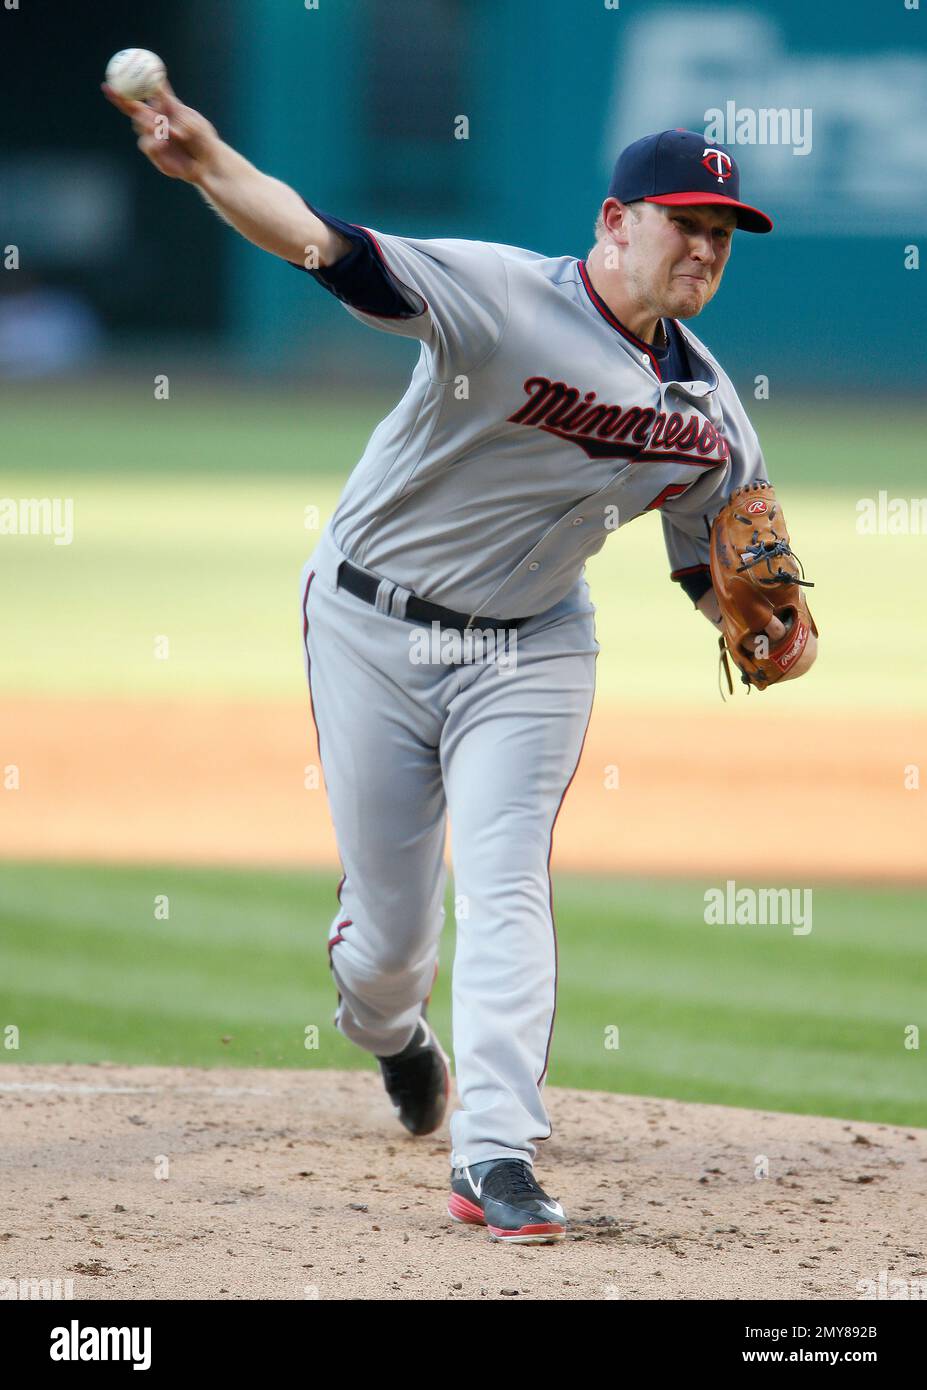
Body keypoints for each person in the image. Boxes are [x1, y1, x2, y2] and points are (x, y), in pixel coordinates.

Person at [104, 86, 816, 1244]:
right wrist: (211, 160)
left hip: (533, 647)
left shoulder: (712, 415)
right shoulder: (497, 297)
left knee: (507, 879)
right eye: (683, 221)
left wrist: (774, 631)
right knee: (388, 948)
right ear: (614, 220)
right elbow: (318, 241)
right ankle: (393, 1033)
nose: (703, 247)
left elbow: (718, 566)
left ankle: (495, 1152)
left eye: (722, 234)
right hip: (370, 625)